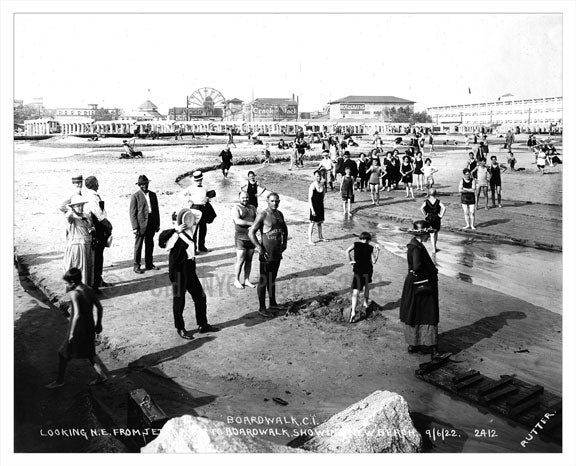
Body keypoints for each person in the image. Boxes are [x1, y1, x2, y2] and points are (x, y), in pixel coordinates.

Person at [158, 209, 219, 339]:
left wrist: (186, 212)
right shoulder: (171, 235)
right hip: (178, 271)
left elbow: (199, 213)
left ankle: (202, 324)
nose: (184, 222)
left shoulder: (191, 228)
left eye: (184, 219)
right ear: (174, 221)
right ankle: (180, 328)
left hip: (190, 269)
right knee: (179, 301)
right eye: (177, 220)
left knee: (200, 297)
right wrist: (176, 230)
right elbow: (164, 245)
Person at [45, 268, 107, 388]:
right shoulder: (89, 289)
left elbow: (77, 314)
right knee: (89, 352)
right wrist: (99, 324)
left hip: (79, 327)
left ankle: (59, 381)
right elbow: (99, 308)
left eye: (67, 283)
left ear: (73, 282)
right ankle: (102, 375)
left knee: (63, 353)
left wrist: (72, 333)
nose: (67, 285)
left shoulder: (74, 293)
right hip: (90, 325)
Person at [399, 220, 440, 357]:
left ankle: (414, 344)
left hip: (414, 283)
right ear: (423, 234)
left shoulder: (413, 244)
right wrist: (427, 273)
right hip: (421, 284)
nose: (429, 236)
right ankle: (428, 346)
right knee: (427, 313)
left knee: (414, 312)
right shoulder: (416, 247)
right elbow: (416, 266)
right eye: (428, 234)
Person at [248, 193, 288, 318]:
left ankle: (273, 303)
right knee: (263, 280)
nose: (274, 203)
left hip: (277, 252)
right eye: (272, 201)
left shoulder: (279, 214)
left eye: (277, 201)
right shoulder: (263, 214)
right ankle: (261, 307)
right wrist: (259, 248)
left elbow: (285, 229)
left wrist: (284, 243)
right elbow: (251, 232)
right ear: (267, 201)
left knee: (273, 278)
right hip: (266, 253)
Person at [83, 176, 113, 293]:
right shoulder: (92, 196)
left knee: (98, 255)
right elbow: (98, 214)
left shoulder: (91, 195)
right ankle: (95, 284)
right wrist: (108, 225)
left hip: (97, 226)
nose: (98, 184)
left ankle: (98, 280)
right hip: (98, 228)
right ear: (95, 184)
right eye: (97, 183)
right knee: (97, 256)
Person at [345, 232, 381, 323]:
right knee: (366, 286)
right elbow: (374, 261)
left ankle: (353, 311)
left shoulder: (355, 244)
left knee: (356, 291)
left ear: (360, 238)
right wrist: (378, 252)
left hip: (358, 269)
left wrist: (351, 261)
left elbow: (347, 251)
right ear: (369, 240)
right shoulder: (370, 247)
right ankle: (365, 303)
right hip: (368, 269)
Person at [129, 175, 160, 274]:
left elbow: (156, 211)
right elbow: (132, 213)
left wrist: (157, 224)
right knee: (138, 246)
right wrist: (135, 227)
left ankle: (149, 264)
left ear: (148, 183)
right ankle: (136, 266)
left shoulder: (153, 195)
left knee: (150, 244)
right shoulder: (135, 196)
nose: (144, 186)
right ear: (139, 185)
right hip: (141, 224)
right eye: (142, 185)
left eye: (146, 184)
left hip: (151, 221)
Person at [63, 195, 95, 288]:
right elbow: (64, 211)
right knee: (78, 268)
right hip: (77, 247)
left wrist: (91, 229)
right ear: (73, 207)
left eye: (81, 205)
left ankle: (85, 289)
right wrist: (71, 200)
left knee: (87, 268)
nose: (80, 208)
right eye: (78, 206)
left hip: (87, 245)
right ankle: (76, 291)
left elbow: (91, 227)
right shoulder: (72, 217)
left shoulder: (87, 216)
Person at [179, 170, 215, 253]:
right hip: (194, 209)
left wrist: (208, 198)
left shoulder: (205, 187)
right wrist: (188, 200)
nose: (199, 181)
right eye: (197, 180)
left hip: (204, 208)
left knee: (203, 229)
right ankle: (194, 248)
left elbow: (210, 194)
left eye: (200, 180)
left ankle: (202, 246)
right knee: (194, 229)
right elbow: (181, 194)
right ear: (194, 180)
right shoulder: (191, 188)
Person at [232, 192, 258, 289]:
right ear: (239, 198)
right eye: (243, 198)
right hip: (240, 237)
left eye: (246, 197)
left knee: (249, 259)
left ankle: (246, 280)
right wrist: (252, 224)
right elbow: (238, 221)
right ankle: (236, 280)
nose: (245, 199)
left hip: (251, 238)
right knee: (240, 259)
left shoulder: (252, 207)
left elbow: (258, 219)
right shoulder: (236, 208)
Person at [420, 189, 446, 253]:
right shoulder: (438, 201)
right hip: (437, 218)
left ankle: (433, 248)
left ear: (428, 194)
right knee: (436, 232)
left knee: (431, 234)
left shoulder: (426, 201)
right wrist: (441, 215)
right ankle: (435, 246)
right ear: (435, 194)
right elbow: (444, 208)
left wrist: (425, 214)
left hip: (429, 218)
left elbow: (421, 208)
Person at [308, 170, 327, 245]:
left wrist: (321, 203)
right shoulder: (312, 185)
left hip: (320, 205)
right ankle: (309, 240)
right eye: (317, 176)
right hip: (314, 206)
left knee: (319, 222)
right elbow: (309, 198)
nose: (318, 178)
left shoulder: (322, 185)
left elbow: (323, 195)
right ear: (314, 176)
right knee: (312, 223)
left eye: (319, 176)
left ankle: (320, 237)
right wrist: (312, 210)